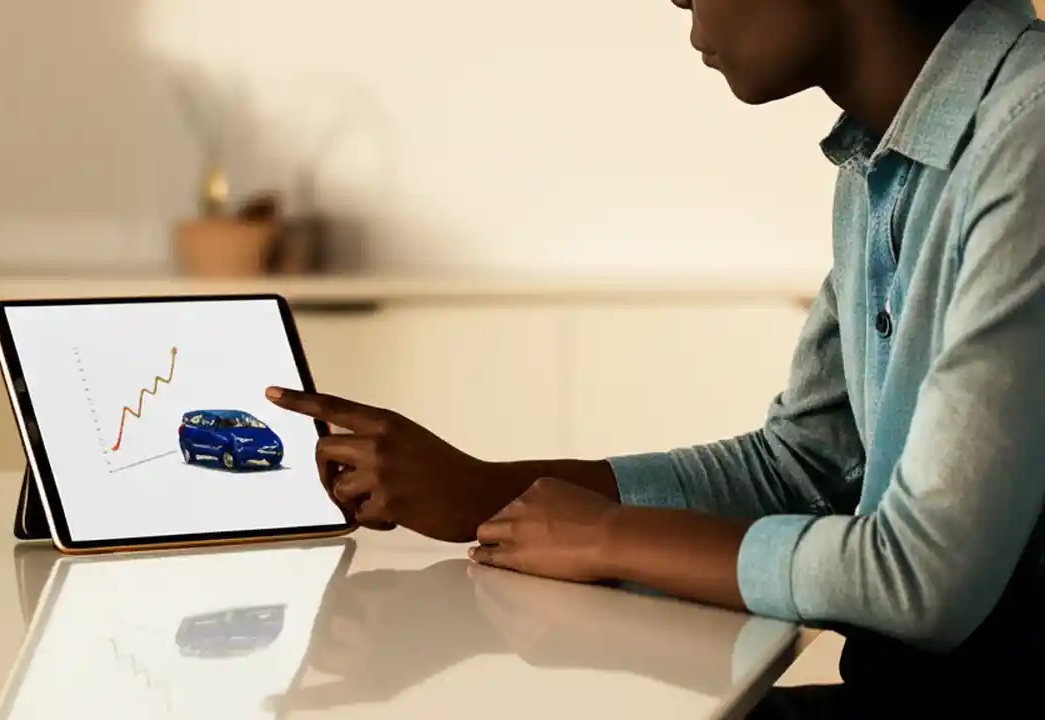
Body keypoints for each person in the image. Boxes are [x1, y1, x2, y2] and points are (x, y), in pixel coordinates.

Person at [267, 0, 1045, 713]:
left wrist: (610, 537)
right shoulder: (882, 166)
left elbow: (922, 577)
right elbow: (805, 469)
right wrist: (482, 491)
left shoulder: (1029, 135)